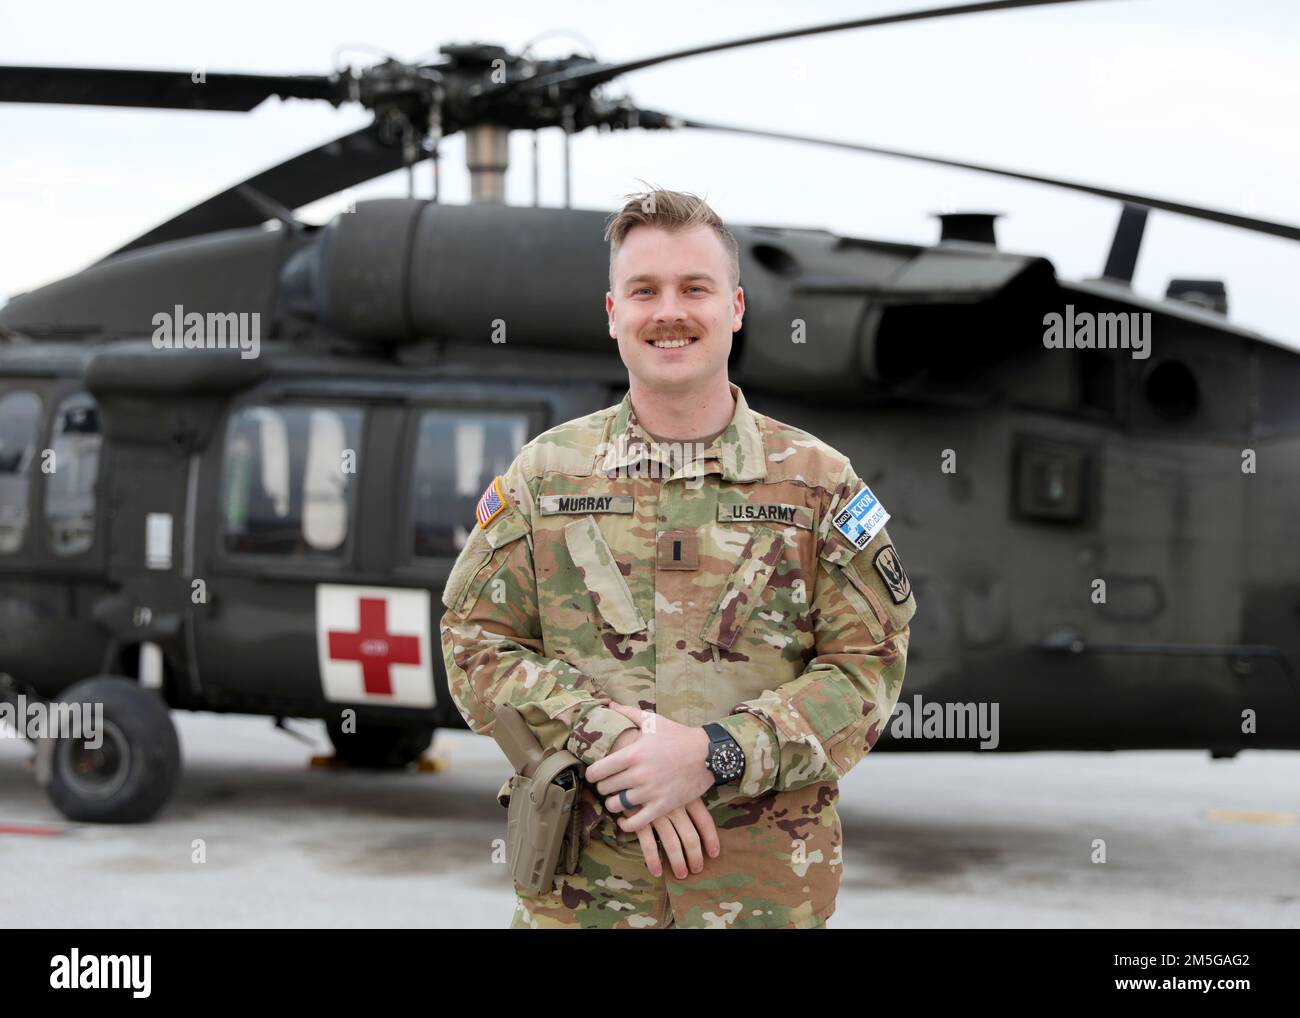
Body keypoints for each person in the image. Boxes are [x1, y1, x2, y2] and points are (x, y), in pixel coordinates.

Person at [439, 187, 915, 929]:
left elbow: (868, 671)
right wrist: (617, 744)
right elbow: (474, 644)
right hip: (582, 897)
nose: (670, 311)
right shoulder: (545, 474)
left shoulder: (819, 483)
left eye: (696, 288)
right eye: (644, 290)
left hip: (759, 899)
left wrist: (715, 753)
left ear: (735, 308)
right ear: (613, 314)